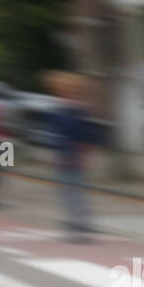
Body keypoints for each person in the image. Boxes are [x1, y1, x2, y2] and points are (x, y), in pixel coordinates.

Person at [42, 72, 97, 242]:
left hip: (72, 156)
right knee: (72, 193)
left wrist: (83, 156)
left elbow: (84, 135)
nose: (58, 90)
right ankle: (80, 227)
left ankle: (78, 230)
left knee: (72, 194)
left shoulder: (74, 109)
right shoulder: (67, 108)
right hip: (65, 155)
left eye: (61, 87)